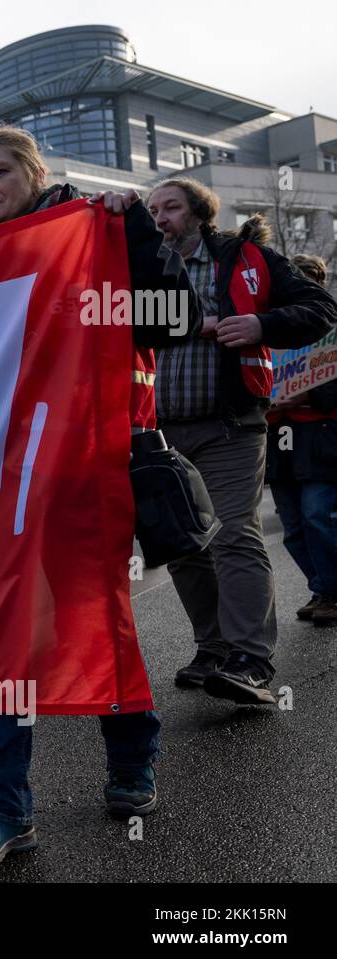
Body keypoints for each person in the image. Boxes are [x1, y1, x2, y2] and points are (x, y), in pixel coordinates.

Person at [0, 124, 203, 868]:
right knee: (0, 640)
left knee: (98, 621)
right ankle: (0, 809)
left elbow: (175, 324)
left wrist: (141, 240)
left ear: (34, 173)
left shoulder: (103, 230)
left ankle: (132, 756)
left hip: (88, 474)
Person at [146, 179, 337, 704]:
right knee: (183, 544)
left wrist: (260, 323)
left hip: (231, 424)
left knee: (232, 534)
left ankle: (250, 659)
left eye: (171, 207)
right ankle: (213, 649)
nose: (159, 217)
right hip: (159, 433)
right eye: (152, 209)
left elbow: (320, 308)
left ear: (199, 213)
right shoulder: (143, 265)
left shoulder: (245, 256)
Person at [264, 254, 337, 626]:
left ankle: (331, 593)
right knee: (293, 523)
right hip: (280, 438)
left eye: (307, 281)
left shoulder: (331, 330)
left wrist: (311, 397)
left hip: (322, 436)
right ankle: (322, 587)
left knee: (317, 514)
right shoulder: (270, 329)